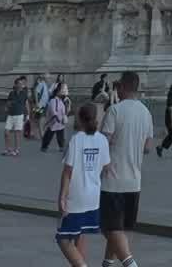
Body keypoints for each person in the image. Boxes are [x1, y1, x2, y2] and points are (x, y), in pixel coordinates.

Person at [98, 71, 152, 267]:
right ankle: (107, 263)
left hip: (112, 180)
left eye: (118, 86)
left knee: (108, 227)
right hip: (134, 180)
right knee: (117, 227)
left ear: (122, 87)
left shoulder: (115, 110)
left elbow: (104, 143)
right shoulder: (146, 113)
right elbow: (147, 147)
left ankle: (130, 264)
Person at [55, 103, 109, 267]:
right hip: (93, 196)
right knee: (81, 233)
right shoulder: (102, 139)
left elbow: (67, 172)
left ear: (80, 119)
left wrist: (62, 197)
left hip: (76, 196)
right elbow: (105, 167)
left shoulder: (76, 139)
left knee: (63, 238)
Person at [4, 76, 31, 157]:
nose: (20, 85)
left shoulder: (24, 93)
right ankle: (8, 148)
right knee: (6, 132)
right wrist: (7, 106)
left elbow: (26, 104)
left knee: (17, 132)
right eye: (19, 84)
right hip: (11, 114)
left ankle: (17, 149)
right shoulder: (11, 93)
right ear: (15, 85)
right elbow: (8, 103)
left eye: (21, 84)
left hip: (19, 115)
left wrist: (28, 114)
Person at [42, 87, 70, 153]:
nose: (62, 93)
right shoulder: (53, 101)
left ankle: (61, 147)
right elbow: (53, 110)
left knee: (60, 135)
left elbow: (64, 110)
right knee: (49, 135)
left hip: (60, 121)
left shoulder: (61, 101)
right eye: (61, 92)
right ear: (57, 93)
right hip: (54, 121)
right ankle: (44, 147)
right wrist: (57, 118)